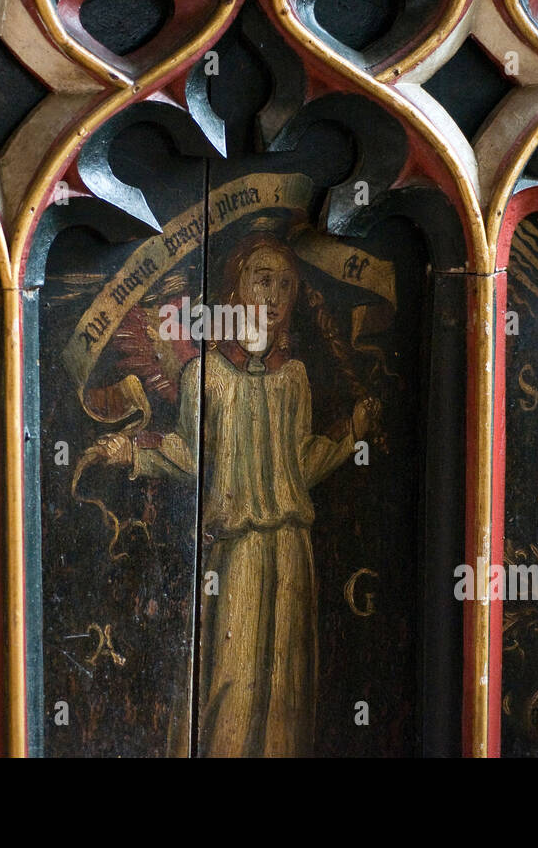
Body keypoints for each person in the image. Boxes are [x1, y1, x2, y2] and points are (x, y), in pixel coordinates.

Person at [95, 231, 379, 756]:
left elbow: (300, 463)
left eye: (286, 285)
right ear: (236, 291)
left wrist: (350, 434)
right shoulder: (208, 376)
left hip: (292, 545)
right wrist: (128, 451)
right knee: (233, 675)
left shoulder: (294, 378)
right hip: (237, 546)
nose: (273, 296)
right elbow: (189, 455)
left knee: (286, 681)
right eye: (262, 280)